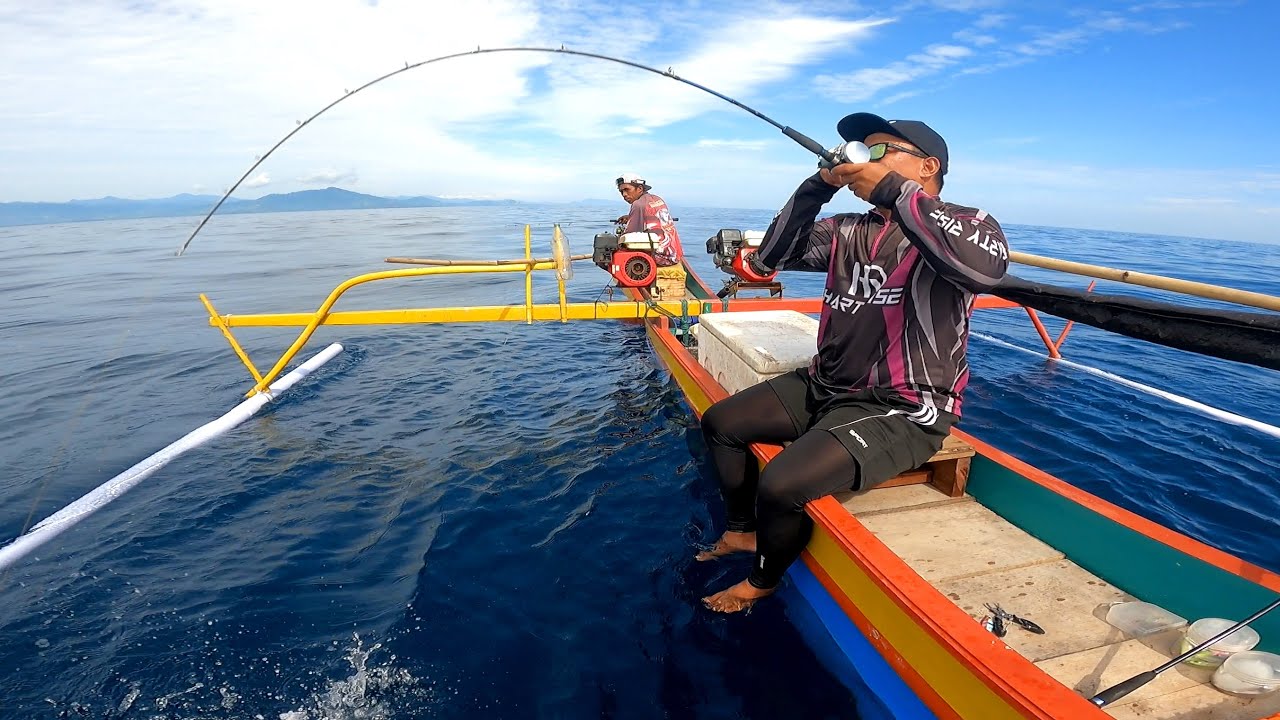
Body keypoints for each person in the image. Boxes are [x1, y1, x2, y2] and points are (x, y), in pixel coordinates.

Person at [697, 113, 1009, 613]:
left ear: (928, 166)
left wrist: (893, 193)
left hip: (905, 405)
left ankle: (763, 582)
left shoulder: (970, 223)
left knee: (782, 486)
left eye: (881, 150)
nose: (865, 158)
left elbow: (985, 268)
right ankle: (741, 533)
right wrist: (816, 187)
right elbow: (772, 256)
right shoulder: (846, 229)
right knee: (722, 423)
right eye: (863, 151)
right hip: (828, 385)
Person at [615, 172, 684, 267]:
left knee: (614, 252)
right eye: (621, 191)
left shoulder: (638, 205)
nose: (624, 194)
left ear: (639, 189)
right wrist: (630, 217)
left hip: (662, 257)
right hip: (674, 253)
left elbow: (628, 236)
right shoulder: (657, 199)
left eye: (627, 190)